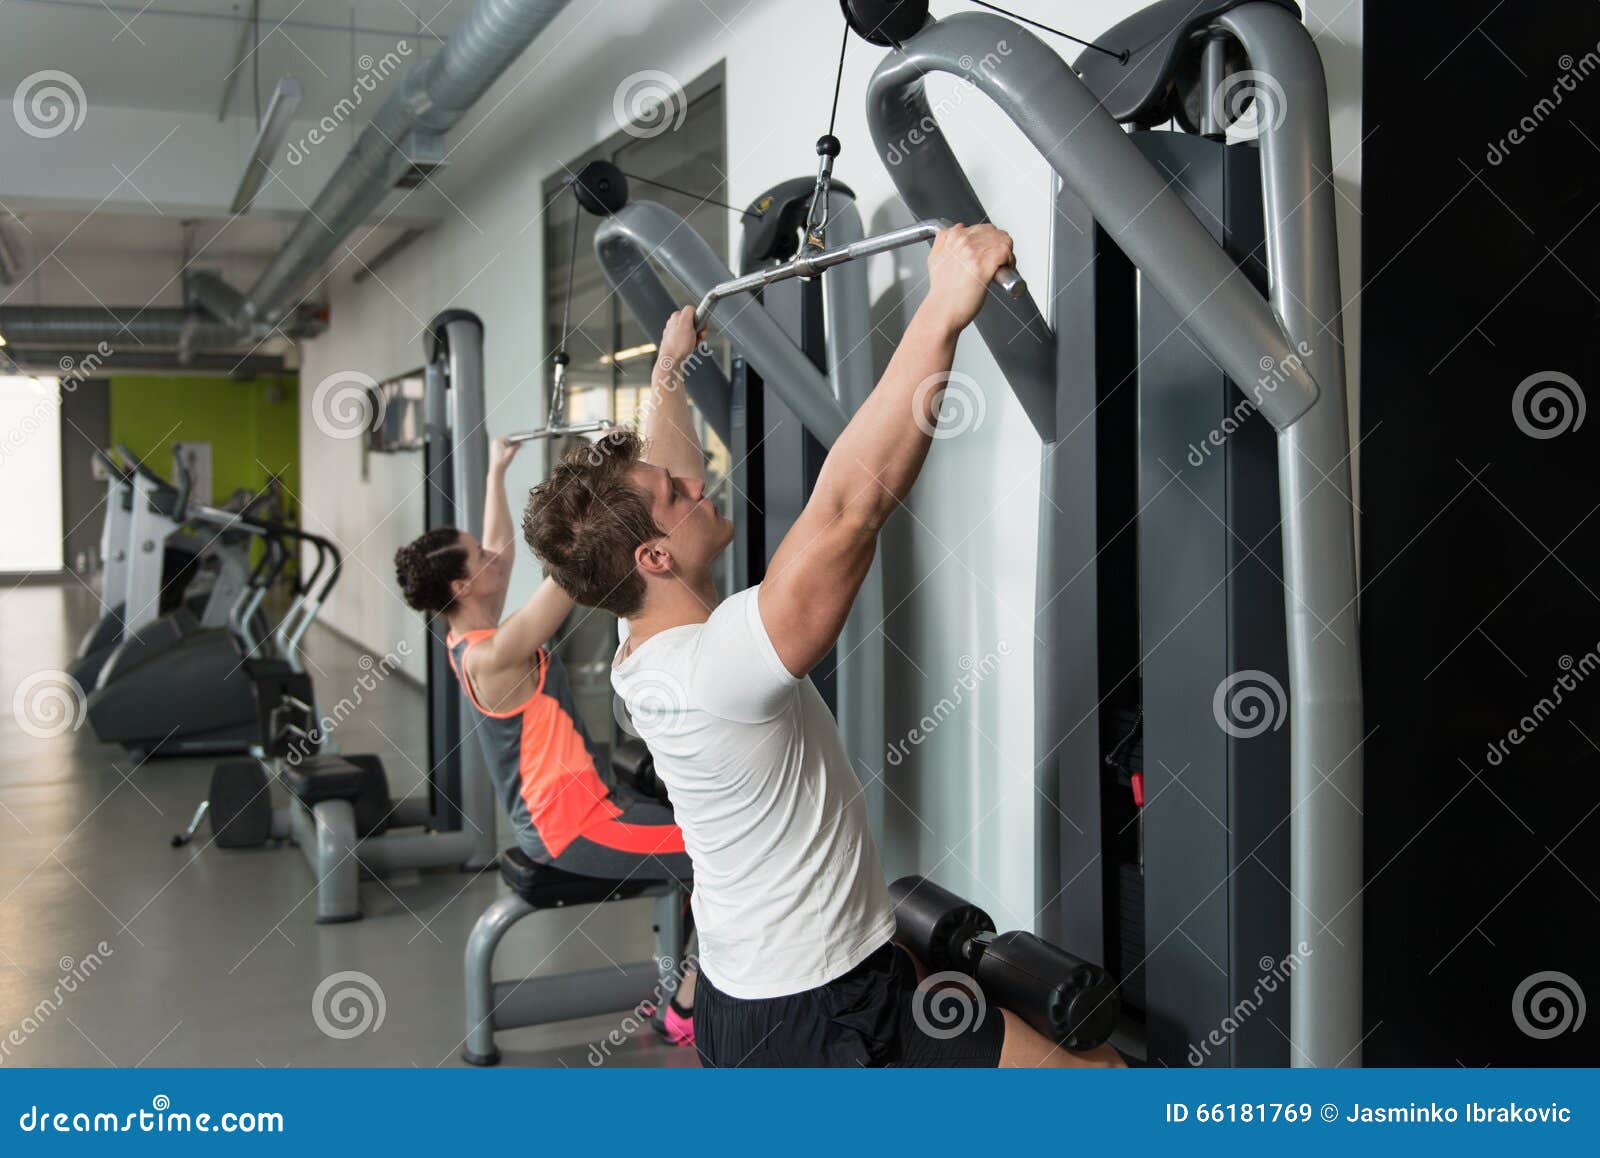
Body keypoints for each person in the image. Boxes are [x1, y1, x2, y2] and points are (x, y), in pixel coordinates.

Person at [522, 224, 1124, 1068]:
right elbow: (848, 507)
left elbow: (662, 472)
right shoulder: (716, 669)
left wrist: (666, 374)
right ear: (655, 557)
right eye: (675, 494)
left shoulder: (640, 634)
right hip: (808, 1019)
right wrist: (945, 308)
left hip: (790, 986)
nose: (697, 480)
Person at [394, 435, 697, 1046]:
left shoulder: (473, 632)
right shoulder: (493, 657)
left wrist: (497, 472)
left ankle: (691, 978)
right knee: (721, 854)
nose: (496, 560)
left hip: (592, 807)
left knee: (707, 842)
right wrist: (593, 508)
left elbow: (501, 543)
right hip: (576, 827)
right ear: (461, 586)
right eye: (479, 558)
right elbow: (568, 572)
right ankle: (688, 1007)